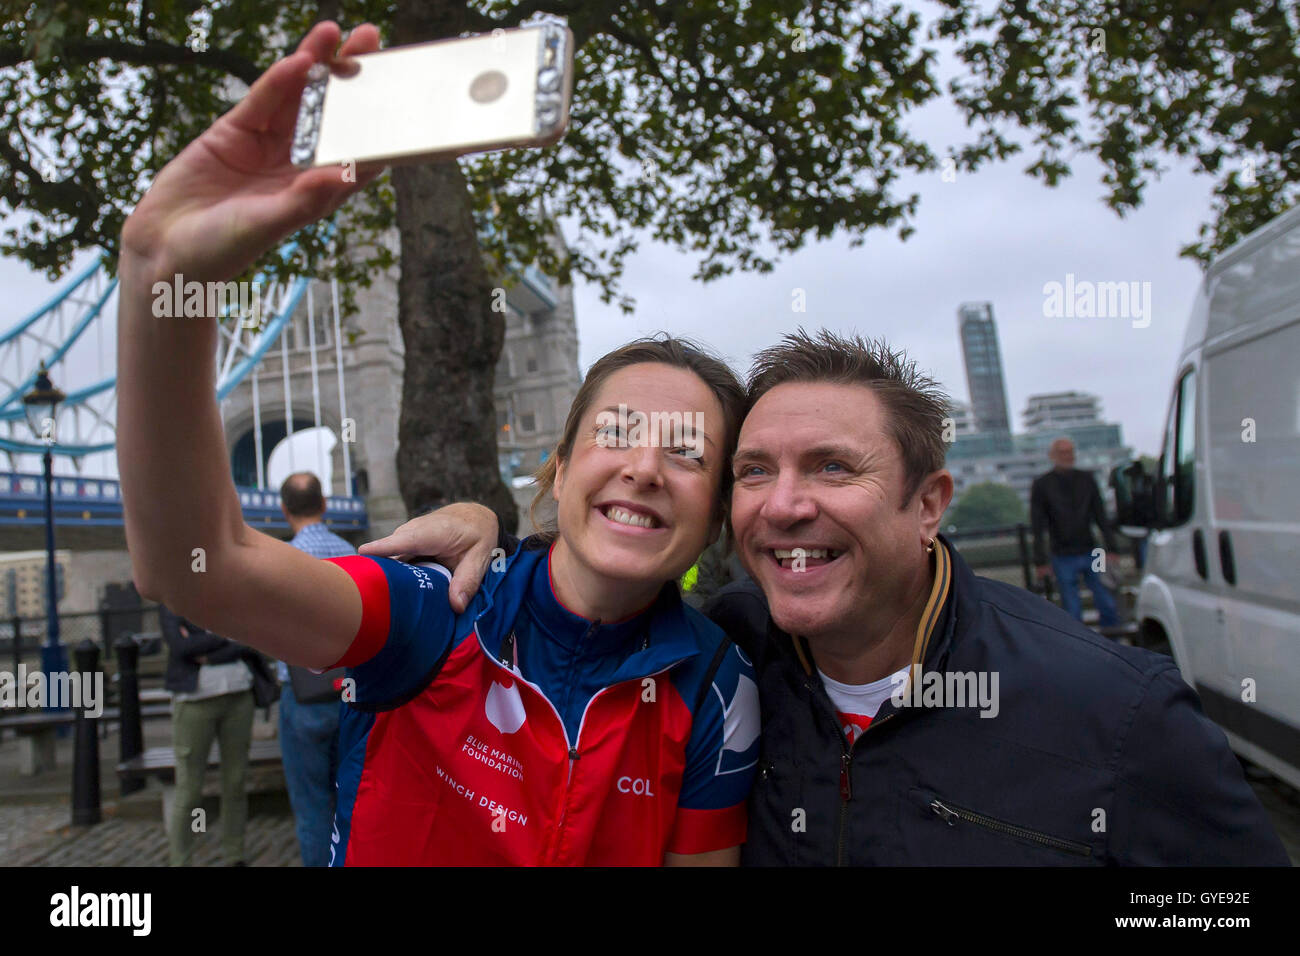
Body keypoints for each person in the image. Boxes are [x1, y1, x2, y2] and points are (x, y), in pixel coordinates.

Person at [116, 21, 757, 864]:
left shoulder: (719, 685)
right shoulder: (435, 610)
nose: (643, 466)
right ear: (556, 468)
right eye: (617, 432)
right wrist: (169, 276)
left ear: (716, 518)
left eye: (687, 452)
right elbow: (195, 566)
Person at [402, 329, 1289, 865]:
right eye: (755, 472)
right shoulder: (723, 660)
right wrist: (497, 529)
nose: (787, 506)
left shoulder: (1113, 711)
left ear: (929, 505)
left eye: (833, 467)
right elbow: (597, 575)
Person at [277, 471, 355, 867]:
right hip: (351, 696)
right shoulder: (354, 554)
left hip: (302, 697)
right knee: (352, 802)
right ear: (324, 505)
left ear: (283, 509)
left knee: (311, 810)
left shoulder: (282, 562)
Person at [160, 605, 255, 866]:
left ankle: (235, 854)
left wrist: (206, 650)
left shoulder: (228, 592)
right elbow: (181, 648)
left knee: (236, 781)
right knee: (189, 788)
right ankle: (180, 860)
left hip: (238, 695)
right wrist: (228, 636)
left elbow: (251, 640)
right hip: (194, 701)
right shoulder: (173, 598)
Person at [1031, 437, 1122, 628]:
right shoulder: (1042, 485)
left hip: (1092, 549)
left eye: (1070, 452)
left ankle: (1113, 640)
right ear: (1053, 456)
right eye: (1063, 452)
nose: (1068, 456)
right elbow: (1037, 526)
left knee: (1106, 599)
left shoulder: (1087, 479)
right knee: (1072, 607)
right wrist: (1040, 561)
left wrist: (1111, 548)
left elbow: (1100, 516)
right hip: (1062, 553)